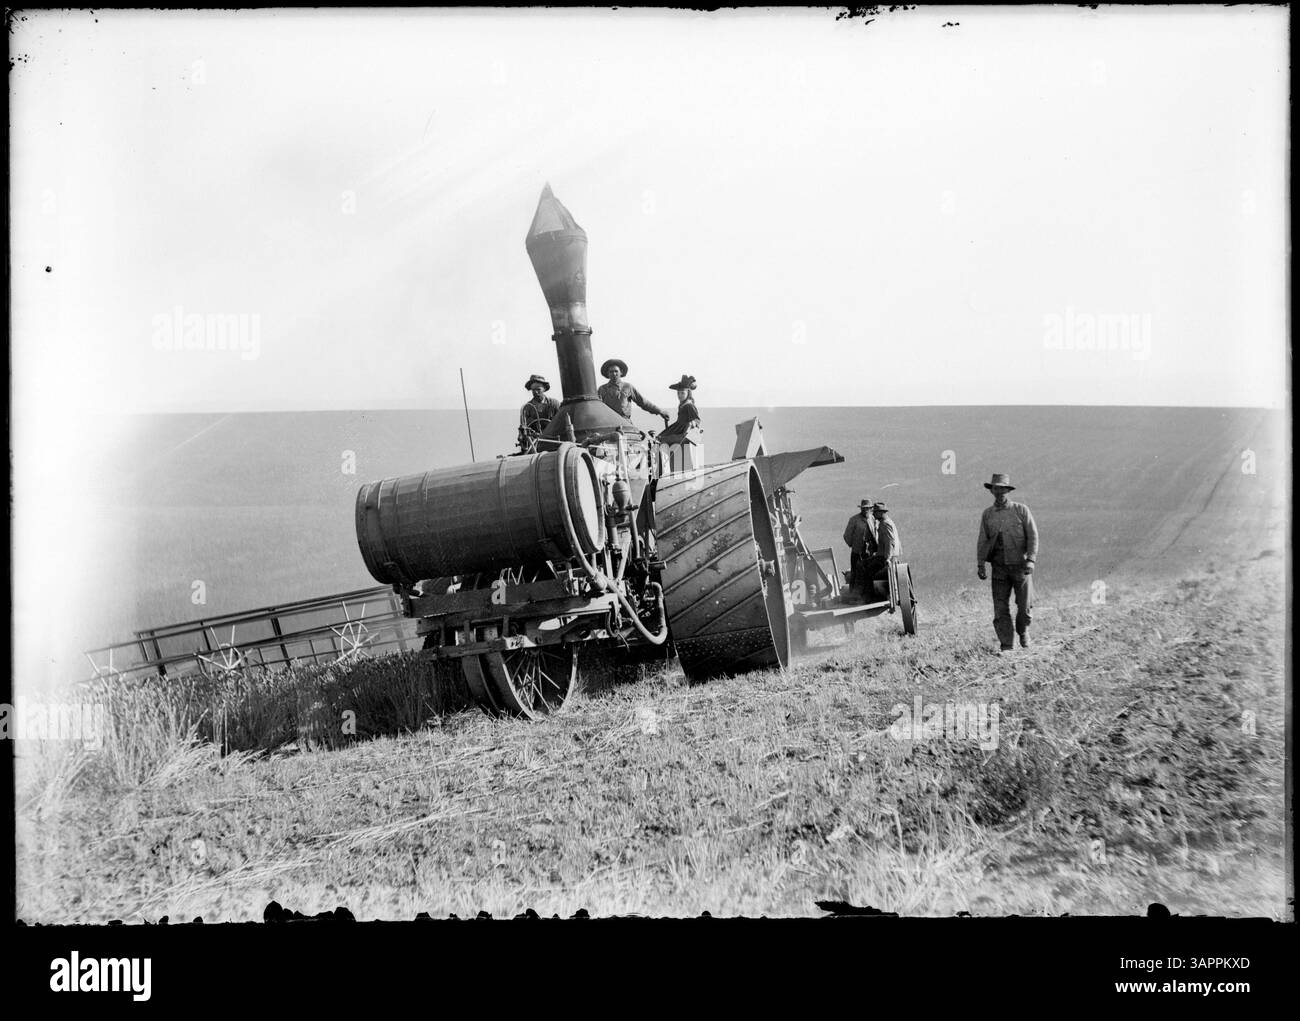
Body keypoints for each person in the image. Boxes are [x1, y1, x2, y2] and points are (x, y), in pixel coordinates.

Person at [976, 473, 1039, 652]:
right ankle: (1007, 645)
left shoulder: (1021, 510)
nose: (999, 491)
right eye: (996, 488)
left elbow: (1033, 536)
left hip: (1021, 567)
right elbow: (983, 539)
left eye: (1002, 488)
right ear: (992, 491)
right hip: (999, 568)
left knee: (1025, 607)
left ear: (1007, 490)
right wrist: (981, 563)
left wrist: (1031, 560)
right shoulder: (987, 514)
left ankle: (1023, 631)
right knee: (1000, 609)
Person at [597, 359, 669, 430]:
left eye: (616, 371)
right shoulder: (602, 389)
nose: (614, 374)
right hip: (608, 425)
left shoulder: (628, 387)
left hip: (625, 424)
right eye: (611, 372)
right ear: (607, 374)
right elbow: (597, 408)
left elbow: (642, 402)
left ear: (621, 372)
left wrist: (659, 411)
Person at [858, 502, 901, 593]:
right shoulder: (887, 522)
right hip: (884, 555)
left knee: (865, 569)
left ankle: (868, 596)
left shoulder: (885, 524)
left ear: (882, 512)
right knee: (865, 564)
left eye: (875, 512)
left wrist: (888, 558)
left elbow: (890, 542)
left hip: (884, 557)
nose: (873, 513)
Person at [842, 498, 877, 599]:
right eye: (864, 508)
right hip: (857, 552)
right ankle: (853, 596)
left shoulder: (872, 519)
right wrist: (854, 545)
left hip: (869, 552)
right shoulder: (854, 520)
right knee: (855, 574)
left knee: (868, 574)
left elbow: (875, 533)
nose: (865, 510)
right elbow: (847, 535)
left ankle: (868, 596)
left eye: (868, 508)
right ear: (861, 508)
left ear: (871, 509)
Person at [518, 374, 561, 450]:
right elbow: (523, 430)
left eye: (538, 389)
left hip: (555, 442)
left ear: (544, 389)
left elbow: (561, 423)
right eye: (533, 390)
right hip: (535, 444)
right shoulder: (527, 408)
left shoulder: (554, 404)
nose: (536, 392)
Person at [657, 374, 701, 442]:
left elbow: (697, 420)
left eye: (682, 393)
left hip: (683, 431)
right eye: (678, 393)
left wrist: (690, 426)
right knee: (660, 437)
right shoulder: (682, 405)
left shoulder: (689, 405)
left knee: (663, 439)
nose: (679, 395)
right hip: (678, 427)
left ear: (688, 393)